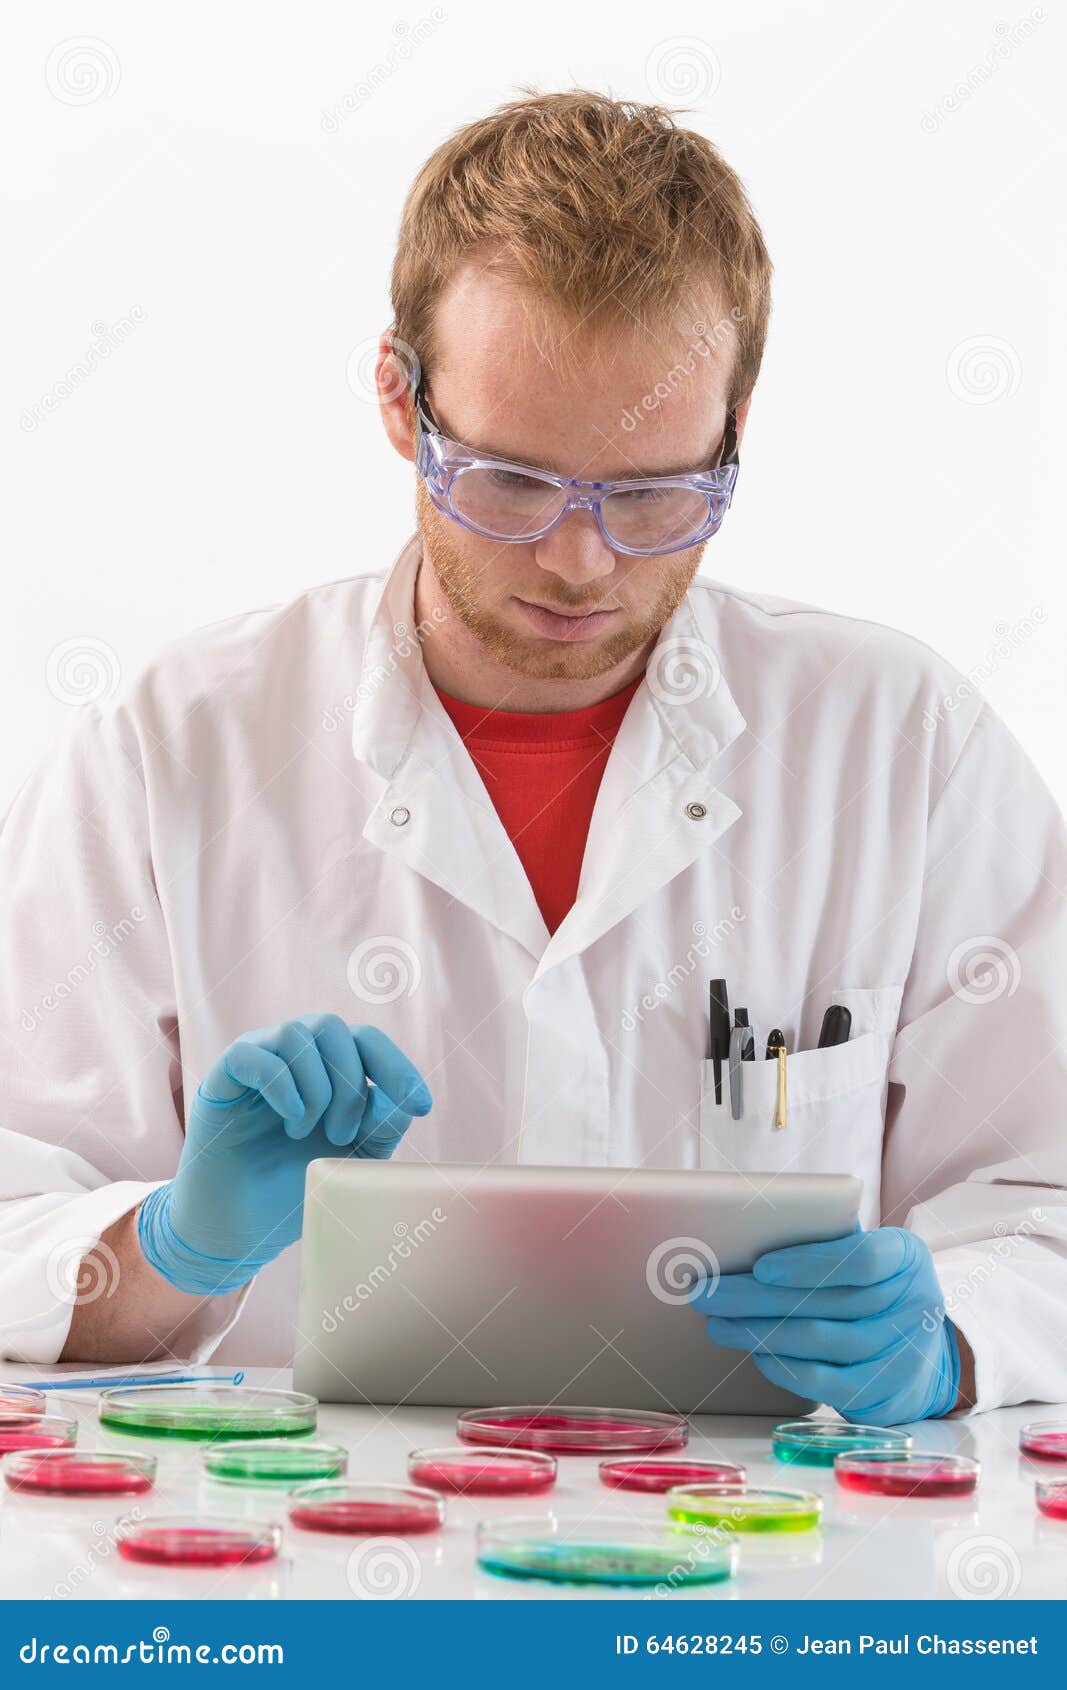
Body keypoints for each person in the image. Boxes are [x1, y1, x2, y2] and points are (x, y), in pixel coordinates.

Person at [1, 90, 1063, 1424]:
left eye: (653, 495)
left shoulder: (900, 745)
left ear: (737, 430)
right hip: (291, 1563)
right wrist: (170, 1247)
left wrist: (956, 1333)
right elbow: (13, 1218)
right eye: (508, 481)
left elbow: (1048, 1204)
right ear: (401, 399)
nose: (579, 558)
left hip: (769, 1575)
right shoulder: (172, 752)